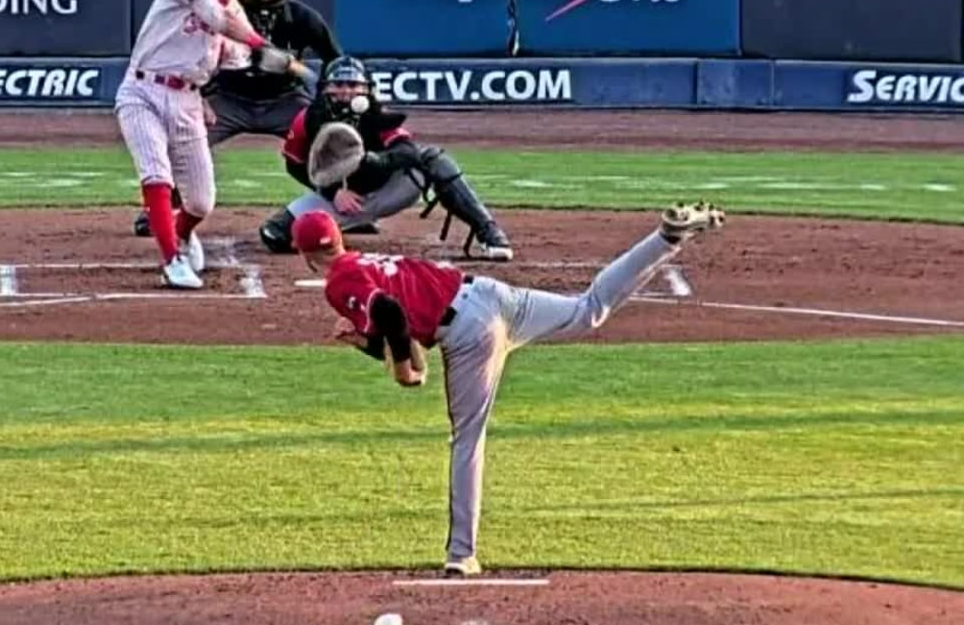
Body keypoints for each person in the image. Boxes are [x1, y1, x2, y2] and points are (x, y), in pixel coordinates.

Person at [291, 200, 726, 576]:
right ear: (339, 238)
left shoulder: (339, 281)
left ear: (305, 253)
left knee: (468, 440)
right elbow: (397, 327)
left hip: (469, 333)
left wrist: (405, 372)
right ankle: (666, 239)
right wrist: (364, 342)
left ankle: (461, 555)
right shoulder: (366, 261)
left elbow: (390, 314)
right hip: (490, 294)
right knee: (587, 310)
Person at [115, 0, 309, 290]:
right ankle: (171, 260)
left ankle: (183, 233)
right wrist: (259, 43)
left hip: (187, 99)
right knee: (157, 173)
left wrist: (269, 61)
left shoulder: (237, 12)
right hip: (142, 90)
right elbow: (217, 19)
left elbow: (233, 57)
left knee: (202, 201)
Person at [132, 0, 343, 238]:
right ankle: (160, 210)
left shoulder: (302, 18)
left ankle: (342, 203)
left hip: (285, 99)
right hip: (230, 97)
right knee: (183, 139)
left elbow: (335, 59)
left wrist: (324, 98)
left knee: (328, 138)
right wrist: (202, 96)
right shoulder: (227, 11)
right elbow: (198, 55)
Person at [257, 55, 515, 262]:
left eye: (353, 85)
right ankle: (349, 224)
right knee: (275, 235)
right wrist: (331, 192)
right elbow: (294, 162)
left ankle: (488, 231)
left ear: (365, 89)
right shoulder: (309, 118)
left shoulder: (378, 113)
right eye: (339, 84)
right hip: (342, 200)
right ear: (327, 88)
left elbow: (408, 151)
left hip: (389, 190)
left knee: (434, 159)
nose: (346, 92)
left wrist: (374, 160)